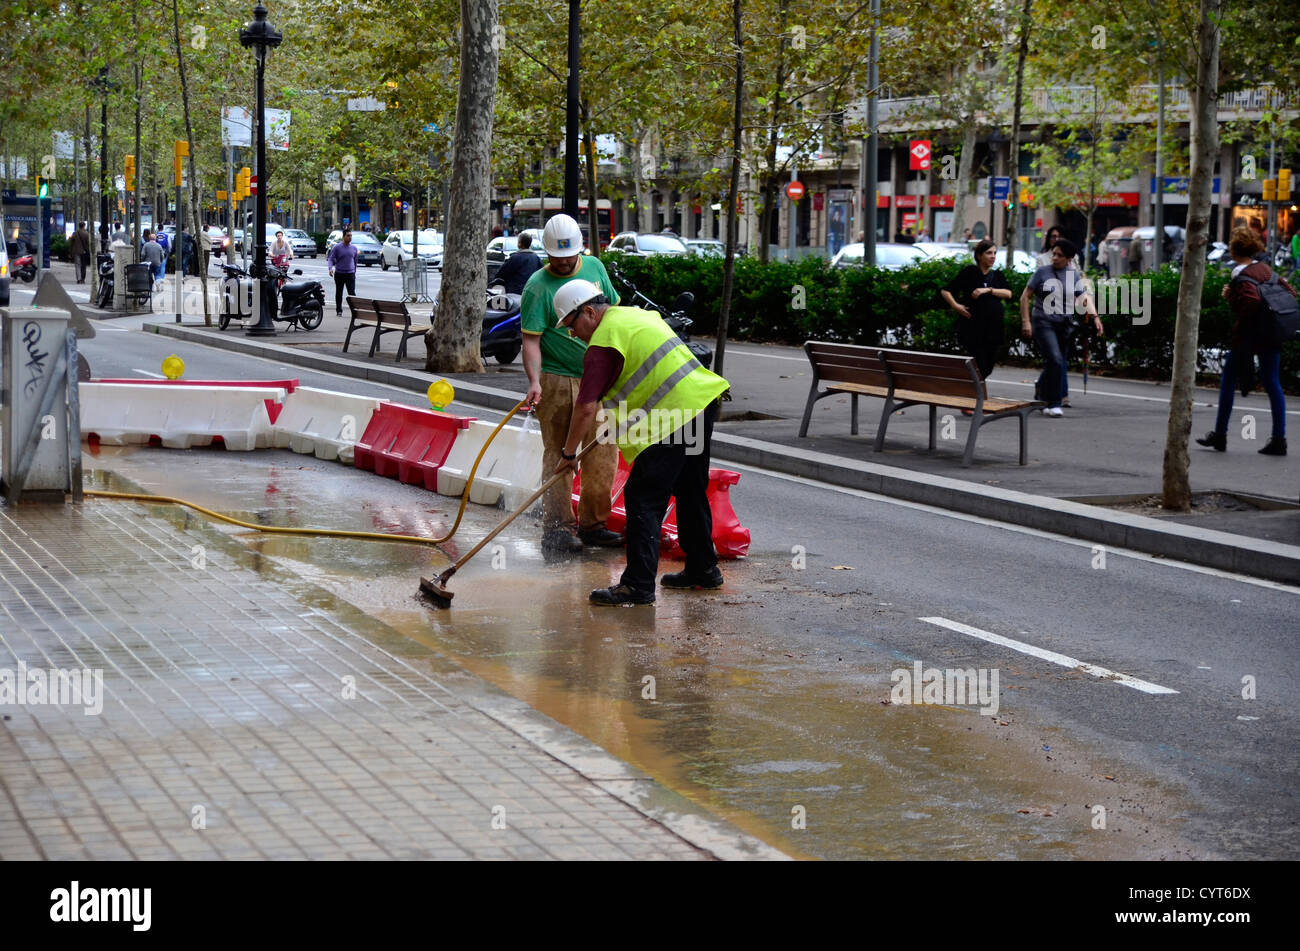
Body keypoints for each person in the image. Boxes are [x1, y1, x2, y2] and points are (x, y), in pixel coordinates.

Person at [552, 280, 730, 606]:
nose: (572, 334)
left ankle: (637, 585)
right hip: (701, 404)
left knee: (643, 498)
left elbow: (586, 406)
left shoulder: (603, 344)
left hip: (673, 419)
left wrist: (568, 453)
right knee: (690, 490)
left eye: (572, 325)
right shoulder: (635, 315)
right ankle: (703, 568)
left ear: (589, 311)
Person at [520, 213, 623, 553]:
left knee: (604, 452)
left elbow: (613, 314)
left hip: (600, 375)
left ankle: (594, 524)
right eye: (556, 258)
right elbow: (531, 339)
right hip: (557, 376)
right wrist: (534, 381)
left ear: (580, 249)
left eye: (569, 257)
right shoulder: (537, 286)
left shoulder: (596, 269)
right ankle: (558, 529)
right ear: (547, 253)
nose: (564, 263)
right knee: (560, 455)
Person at [1196, 227, 1293, 456]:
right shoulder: (1267, 270)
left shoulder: (1239, 274)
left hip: (1247, 338)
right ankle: (1279, 438)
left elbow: (1249, 304)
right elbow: (1290, 292)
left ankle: (1220, 435)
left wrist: (1232, 297)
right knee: (1272, 383)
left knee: (1228, 381)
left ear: (1233, 250)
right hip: (1272, 334)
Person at [1020, 238, 1103, 417]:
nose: (1055, 258)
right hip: (1043, 322)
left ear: (1069, 259)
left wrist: (1096, 317)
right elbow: (1025, 297)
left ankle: (1041, 389)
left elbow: (1083, 298)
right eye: (1053, 254)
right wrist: (1026, 321)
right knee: (1056, 360)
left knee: (1055, 362)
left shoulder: (1073, 276)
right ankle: (1054, 402)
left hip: (1064, 324)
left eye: (1060, 255)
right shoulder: (1042, 272)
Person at [940, 239, 1011, 386]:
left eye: (995, 253)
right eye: (989, 253)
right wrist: (956, 306)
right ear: (979, 255)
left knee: (988, 365)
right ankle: (972, 394)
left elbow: (1008, 293)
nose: (993, 256)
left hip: (994, 328)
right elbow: (946, 290)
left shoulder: (997, 276)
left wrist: (989, 290)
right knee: (979, 362)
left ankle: (971, 391)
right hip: (974, 327)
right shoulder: (970, 272)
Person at [327, 228, 358, 316]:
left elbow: (355, 261)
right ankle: (339, 310)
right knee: (339, 292)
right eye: (348, 236)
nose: (350, 237)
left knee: (352, 293)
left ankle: (354, 311)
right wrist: (330, 268)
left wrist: (354, 271)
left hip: (350, 274)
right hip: (340, 273)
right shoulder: (337, 247)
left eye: (351, 235)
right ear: (343, 237)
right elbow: (331, 258)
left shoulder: (354, 248)